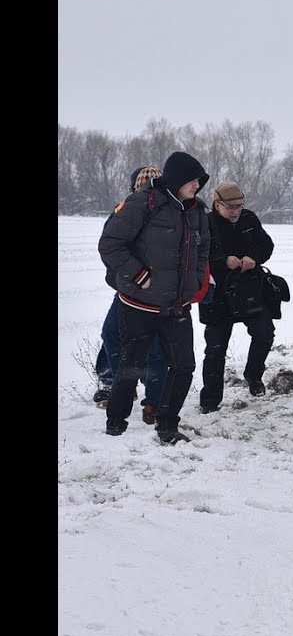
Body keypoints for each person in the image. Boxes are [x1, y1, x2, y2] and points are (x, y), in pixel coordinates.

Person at [98, 151, 211, 443]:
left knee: (184, 365)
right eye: (193, 180)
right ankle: (116, 420)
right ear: (176, 178)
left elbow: (203, 250)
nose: (197, 185)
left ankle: (167, 425)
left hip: (177, 306)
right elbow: (110, 244)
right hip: (139, 303)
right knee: (131, 363)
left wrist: (195, 281)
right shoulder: (142, 203)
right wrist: (139, 275)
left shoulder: (197, 209)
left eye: (200, 180)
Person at [93, 166, 169, 419]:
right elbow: (110, 245)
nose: (146, 191)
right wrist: (123, 274)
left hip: (158, 293)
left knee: (156, 347)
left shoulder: (172, 213)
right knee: (111, 333)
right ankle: (122, 386)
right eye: (142, 186)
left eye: (152, 186)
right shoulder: (123, 210)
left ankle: (154, 401)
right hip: (127, 289)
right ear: (135, 188)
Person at [197, 181, 276, 413]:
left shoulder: (249, 219)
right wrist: (223, 261)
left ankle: (253, 375)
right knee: (215, 349)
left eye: (239, 206)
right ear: (217, 204)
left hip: (249, 290)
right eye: (230, 207)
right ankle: (210, 400)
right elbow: (197, 256)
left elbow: (267, 245)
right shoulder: (205, 223)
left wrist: (253, 257)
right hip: (218, 295)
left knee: (264, 334)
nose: (235, 211)